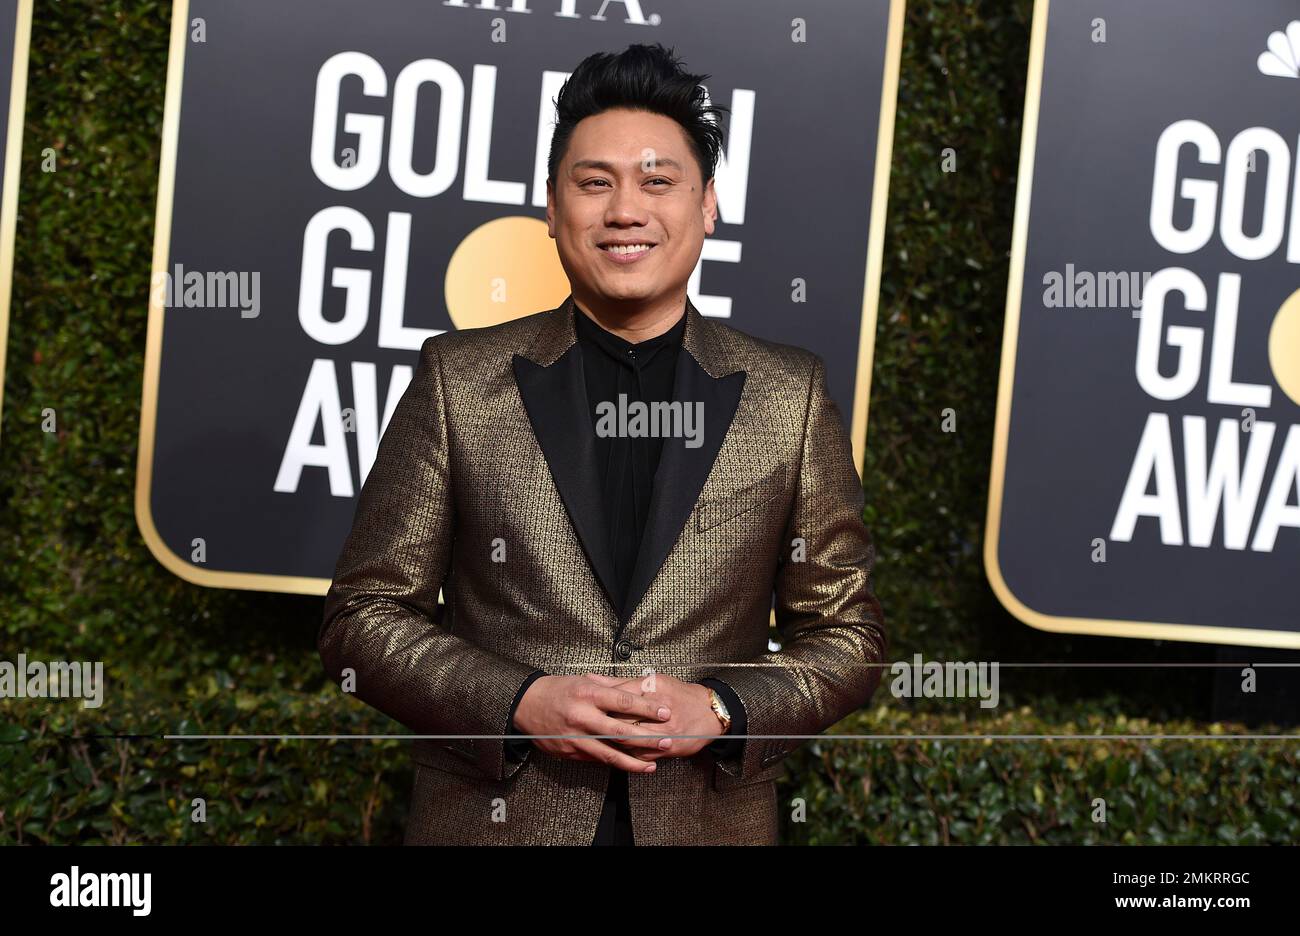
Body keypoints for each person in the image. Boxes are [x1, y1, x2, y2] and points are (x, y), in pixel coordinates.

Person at [318, 42, 886, 846]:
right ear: (552, 208)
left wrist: (724, 707)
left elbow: (849, 638)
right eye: (595, 183)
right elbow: (362, 616)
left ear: (708, 207)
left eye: (658, 182)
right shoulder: (457, 379)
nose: (626, 210)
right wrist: (516, 702)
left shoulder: (788, 396)